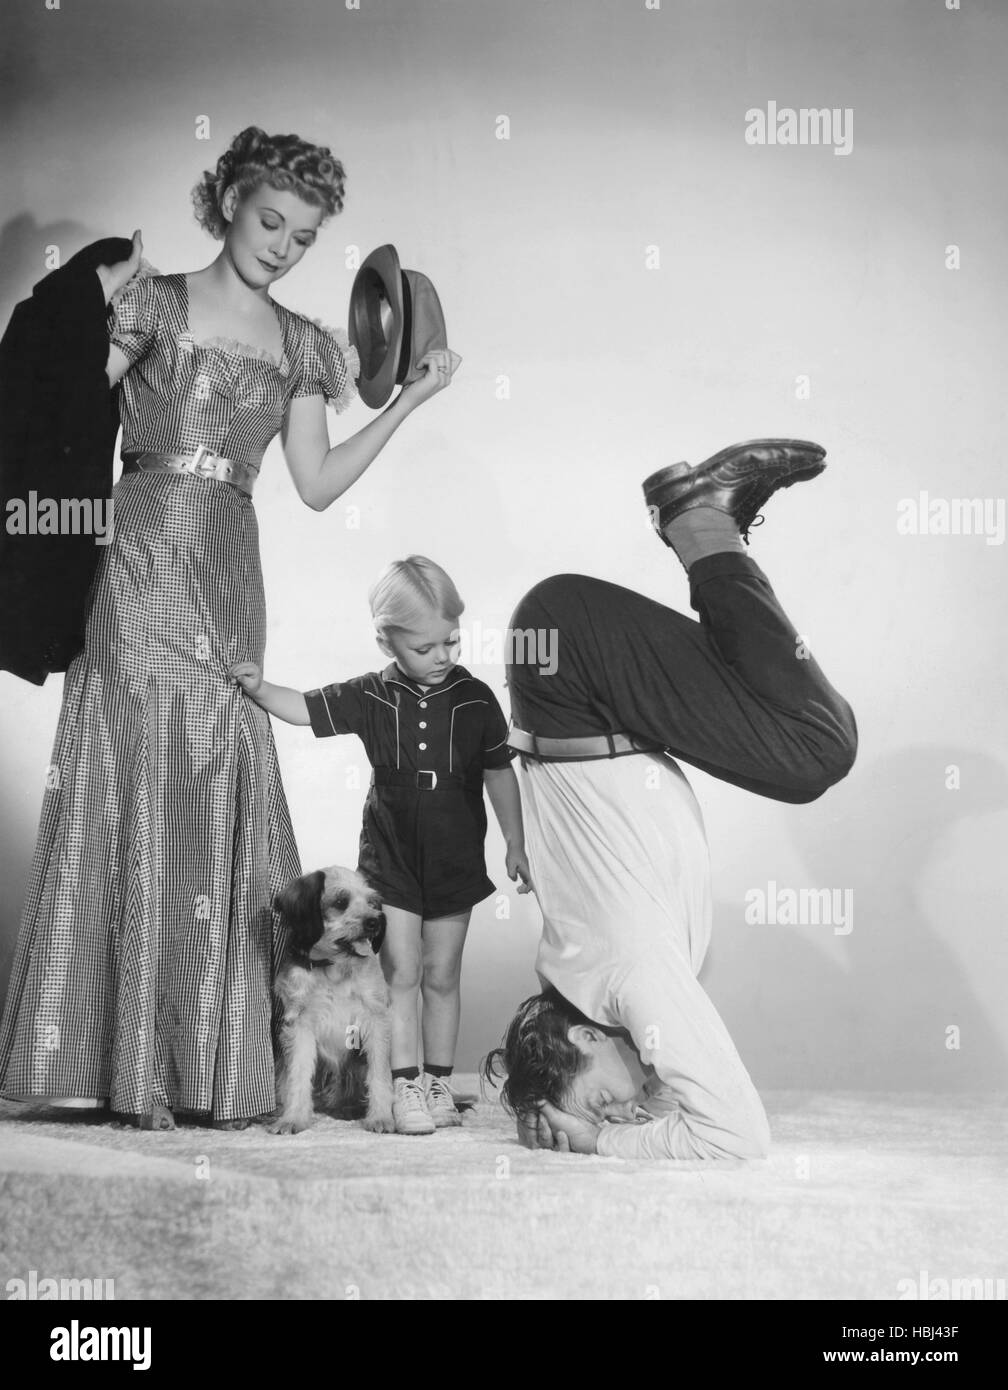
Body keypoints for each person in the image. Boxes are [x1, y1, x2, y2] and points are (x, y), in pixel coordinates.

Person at [0, 126, 457, 1131]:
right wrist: (81, 302)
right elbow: (63, 405)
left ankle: (213, 1070)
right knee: (133, 761)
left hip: (227, 565)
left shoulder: (302, 344)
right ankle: (121, 1064)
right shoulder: (153, 302)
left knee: (217, 766)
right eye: (268, 221)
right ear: (228, 202)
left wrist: (410, 403)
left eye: (302, 235)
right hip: (137, 555)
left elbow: (319, 482)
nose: (283, 245)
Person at [483, 440, 858, 1160]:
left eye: (602, 1101)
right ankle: (706, 523)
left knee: (818, 752)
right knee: (796, 721)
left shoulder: (628, 980)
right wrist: (541, 1100)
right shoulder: (571, 975)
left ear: (587, 1035)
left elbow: (736, 1138)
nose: (625, 1111)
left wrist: (596, 1142)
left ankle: (701, 523)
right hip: (557, 652)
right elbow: (565, 1049)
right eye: (617, 1116)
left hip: (571, 668)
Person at [230, 555, 532, 1134]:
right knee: (401, 973)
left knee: (444, 972)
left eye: (451, 641)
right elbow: (306, 708)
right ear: (386, 641)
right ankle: (404, 1084)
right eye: (425, 648)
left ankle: (439, 1081)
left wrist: (515, 841)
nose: (443, 656)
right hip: (390, 861)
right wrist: (260, 688)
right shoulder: (371, 695)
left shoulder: (475, 698)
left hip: (454, 858)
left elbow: (498, 773)